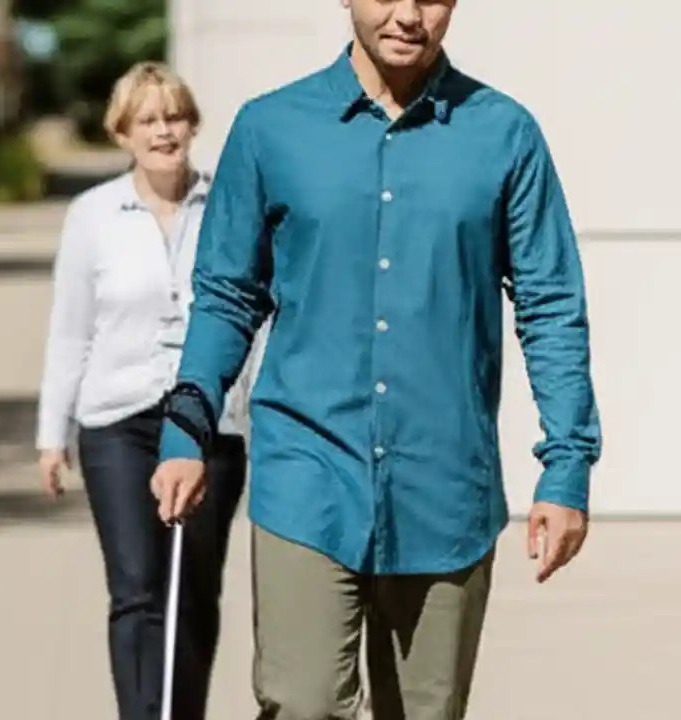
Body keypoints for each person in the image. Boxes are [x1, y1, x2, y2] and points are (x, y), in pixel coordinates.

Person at [151, 0, 603, 716]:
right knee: (301, 703)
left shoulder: (505, 134)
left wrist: (568, 466)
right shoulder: (271, 129)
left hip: (445, 483)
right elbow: (228, 296)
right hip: (307, 473)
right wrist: (186, 428)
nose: (407, 15)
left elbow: (550, 306)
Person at [35, 61, 255, 720]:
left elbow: (259, 314)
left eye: (175, 116)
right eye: (148, 120)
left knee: (192, 590)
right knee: (137, 588)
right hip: (118, 425)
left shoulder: (229, 205)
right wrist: (53, 434)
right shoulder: (93, 216)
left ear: (193, 124)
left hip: (208, 424)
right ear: (123, 133)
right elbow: (70, 331)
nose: (164, 131)